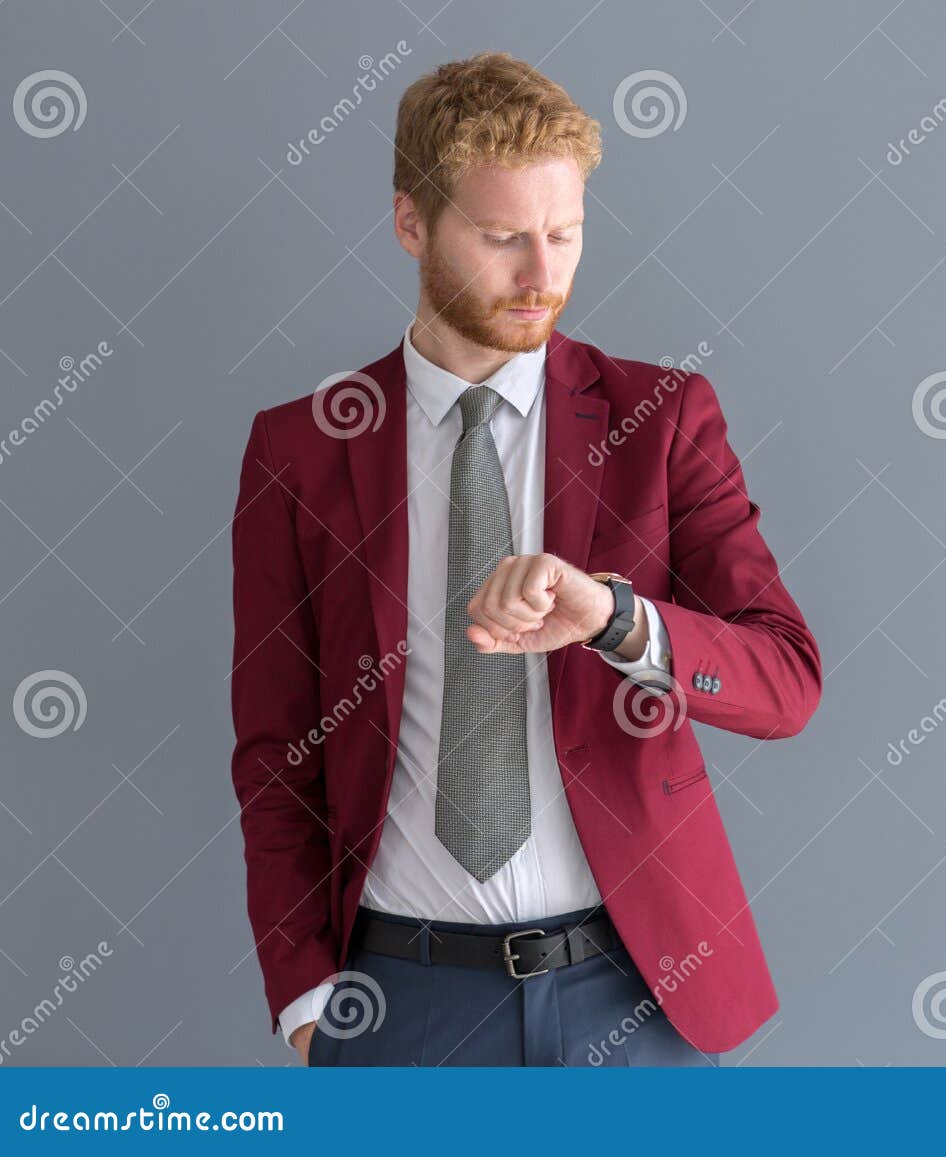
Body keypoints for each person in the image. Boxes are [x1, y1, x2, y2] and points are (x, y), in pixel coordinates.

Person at [229, 51, 821, 1066]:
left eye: (565, 233)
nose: (542, 274)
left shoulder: (660, 420)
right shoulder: (302, 449)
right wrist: (304, 998)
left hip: (633, 998)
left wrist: (618, 619)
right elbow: (276, 748)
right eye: (503, 237)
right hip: (397, 1005)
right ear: (411, 222)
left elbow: (786, 682)